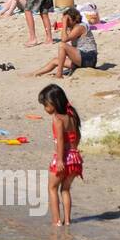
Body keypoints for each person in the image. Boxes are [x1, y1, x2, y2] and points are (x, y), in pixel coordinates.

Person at [38, 84, 82, 226]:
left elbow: (61, 141)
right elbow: (78, 135)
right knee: (65, 189)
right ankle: (67, 221)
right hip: (75, 158)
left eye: (46, 105)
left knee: (52, 188)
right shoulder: (72, 115)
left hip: (63, 158)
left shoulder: (57, 119)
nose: (45, 109)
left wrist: (60, 160)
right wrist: (74, 150)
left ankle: (56, 221)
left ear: (54, 103)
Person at [31, 7, 97, 78]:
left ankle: (59, 74)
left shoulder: (80, 27)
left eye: (68, 20)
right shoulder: (72, 28)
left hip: (88, 58)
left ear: (74, 20)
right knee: (55, 61)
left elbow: (64, 40)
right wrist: (65, 24)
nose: (67, 22)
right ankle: (33, 74)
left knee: (62, 45)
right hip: (81, 58)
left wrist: (64, 24)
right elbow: (65, 38)